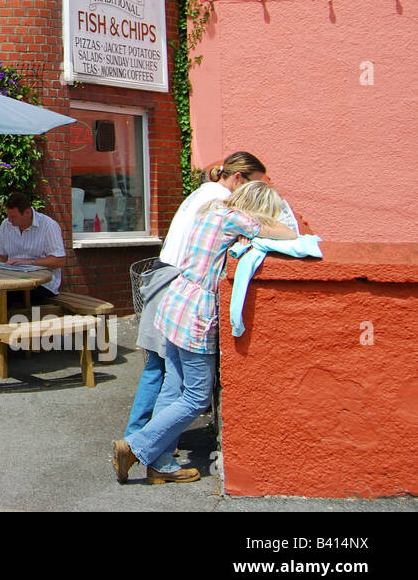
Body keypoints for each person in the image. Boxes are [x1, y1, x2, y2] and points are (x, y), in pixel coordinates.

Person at [114, 180, 296, 485]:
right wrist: (263, 226)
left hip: (175, 301)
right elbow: (289, 234)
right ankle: (135, 446)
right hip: (196, 311)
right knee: (197, 397)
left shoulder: (211, 210)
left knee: (173, 385)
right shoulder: (235, 219)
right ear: (257, 209)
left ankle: (161, 463)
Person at [126, 151, 289, 436]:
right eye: (254, 183)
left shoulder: (207, 194)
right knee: (162, 372)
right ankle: (136, 439)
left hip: (170, 280)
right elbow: (279, 231)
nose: (255, 190)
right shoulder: (222, 203)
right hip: (178, 282)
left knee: (165, 372)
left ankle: (147, 445)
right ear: (238, 179)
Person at [0, 192, 66, 305]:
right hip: (12, 280)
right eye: (8, 216)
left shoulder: (48, 226)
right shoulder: (6, 225)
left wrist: (29, 262)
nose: (9, 220)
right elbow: (2, 257)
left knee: (6, 299)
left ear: (27, 212)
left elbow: (59, 261)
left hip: (43, 284)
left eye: (13, 217)